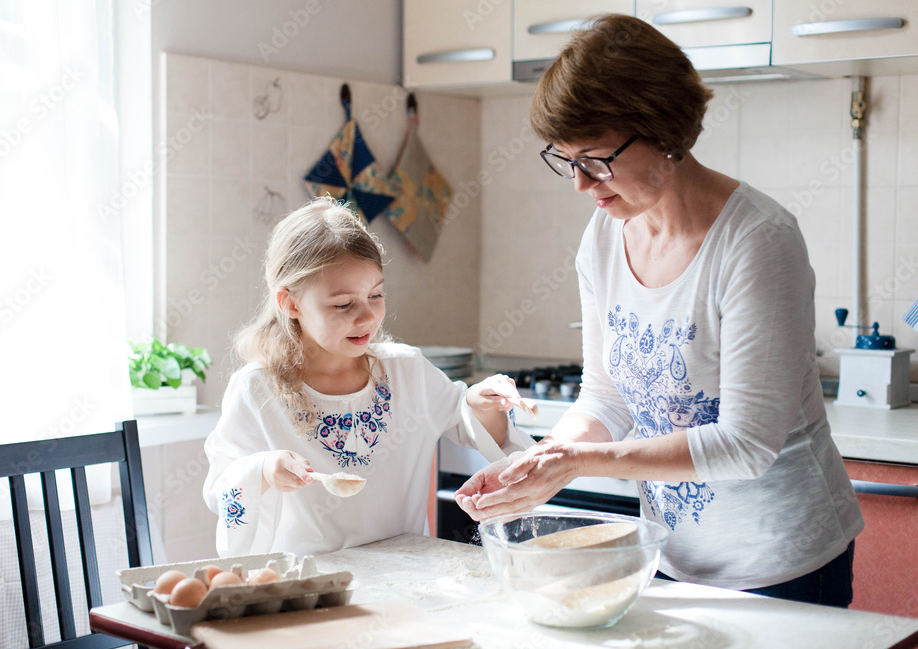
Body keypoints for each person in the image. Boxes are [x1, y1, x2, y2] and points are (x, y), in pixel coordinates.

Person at [456, 14, 863, 607]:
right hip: (668, 553)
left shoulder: (758, 241)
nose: (579, 183)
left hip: (780, 564)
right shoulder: (603, 236)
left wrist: (576, 462)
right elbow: (607, 398)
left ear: (663, 130)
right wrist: (539, 461)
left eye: (594, 158)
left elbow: (746, 444)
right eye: (565, 159)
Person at [203, 197, 533, 557]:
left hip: (406, 579)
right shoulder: (257, 389)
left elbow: (476, 426)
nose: (366, 317)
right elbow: (221, 490)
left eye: (375, 294)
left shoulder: (407, 370)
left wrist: (480, 401)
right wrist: (265, 469)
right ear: (290, 303)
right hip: (308, 586)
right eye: (343, 304)